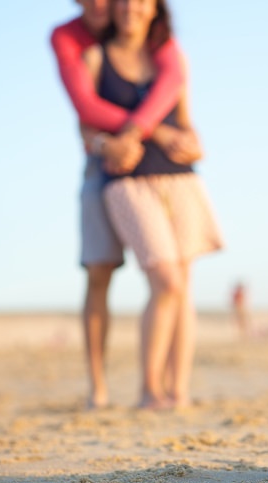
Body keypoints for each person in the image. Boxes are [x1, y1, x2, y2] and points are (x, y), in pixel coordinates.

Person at [83, 0, 223, 410]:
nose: (130, 6)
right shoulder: (96, 57)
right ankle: (149, 392)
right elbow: (87, 128)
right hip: (125, 181)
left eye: (141, 0)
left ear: (154, 8)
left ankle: (177, 392)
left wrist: (193, 142)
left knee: (184, 284)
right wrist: (110, 145)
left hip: (179, 176)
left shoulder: (171, 56)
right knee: (165, 281)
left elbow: (186, 118)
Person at [50, 0, 185, 409]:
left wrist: (146, 135)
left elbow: (172, 83)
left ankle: (165, 386)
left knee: (171, 277)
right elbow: (85, 109)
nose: (100, 4)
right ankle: (99, 388)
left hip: (152, 168)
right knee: (98, 273)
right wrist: (117, 142)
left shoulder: (151, 34)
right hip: (102, 167)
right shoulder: (71, 39)